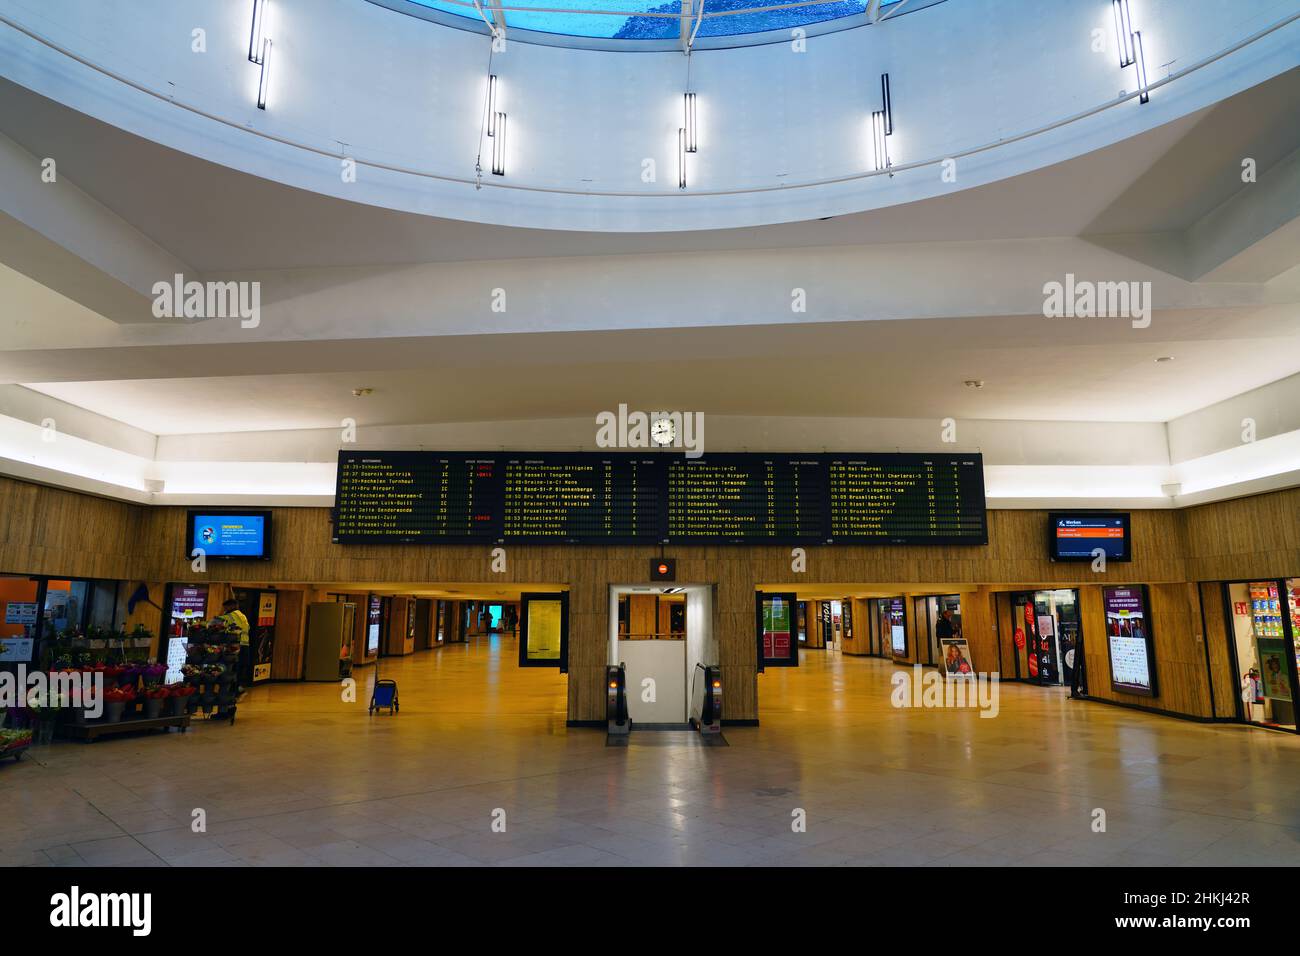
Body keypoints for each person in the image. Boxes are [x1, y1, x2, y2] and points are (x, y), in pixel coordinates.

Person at [216, 598, 251, 692]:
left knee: (232, 667)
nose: (224, 609)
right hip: (245, 645)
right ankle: (238, 686)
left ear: (230, 606)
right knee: (241, 667)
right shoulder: (242, 615)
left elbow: (215, 624)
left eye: (225, 607)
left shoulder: (229, 616)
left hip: (235, 646)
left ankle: (231, 689)